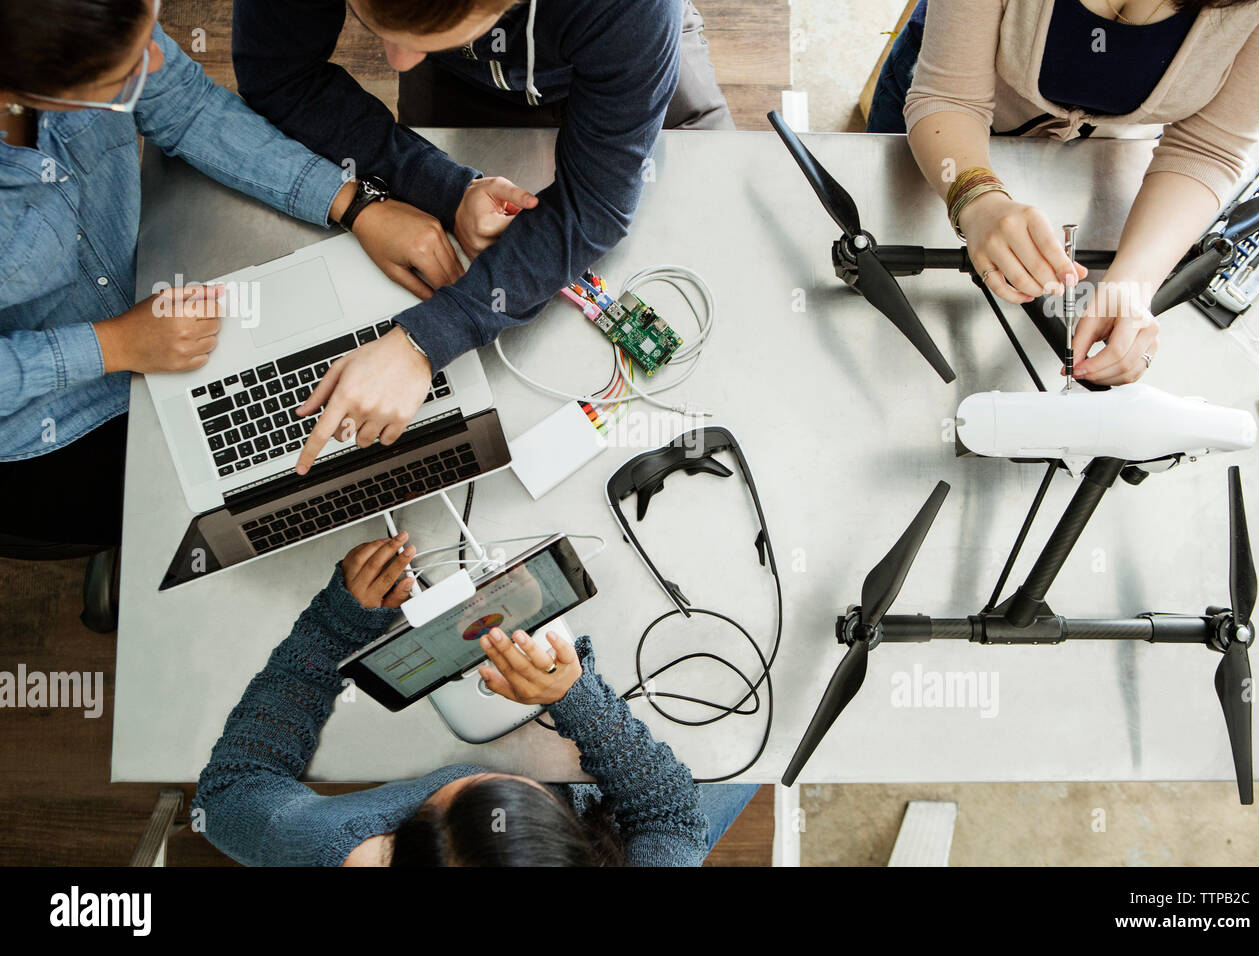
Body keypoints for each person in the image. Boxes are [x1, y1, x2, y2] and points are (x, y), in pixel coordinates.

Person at [0, 0, 522, 548]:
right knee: (266, 523)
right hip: (58, 427)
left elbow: (187, 107)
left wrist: (353, 204)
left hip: (168, 296)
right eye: (121, 78)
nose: (154, 60)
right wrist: (113, 346)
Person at [229, 0, 733, 475]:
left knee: (716, 222)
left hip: (629, 47)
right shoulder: (419, 43)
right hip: (468, 74)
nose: (397, 61)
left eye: (411, 37)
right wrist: (446, 188)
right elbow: (281, 77)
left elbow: (597, 206)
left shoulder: (634, 13)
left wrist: (426, 339)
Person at [195, 533, 759, 866]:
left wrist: (334, 625)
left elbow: (231, 789)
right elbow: (670, 815)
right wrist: (576, 699)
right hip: (627, 813)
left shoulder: (329, 849)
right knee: (751, 748)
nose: (521, 779)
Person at [867, 0, 1259, 385]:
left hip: (1096, 152)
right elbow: (949, 95)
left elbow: (1206, 148)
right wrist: (973, 195)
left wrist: (1133, 284)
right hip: (941, 120)